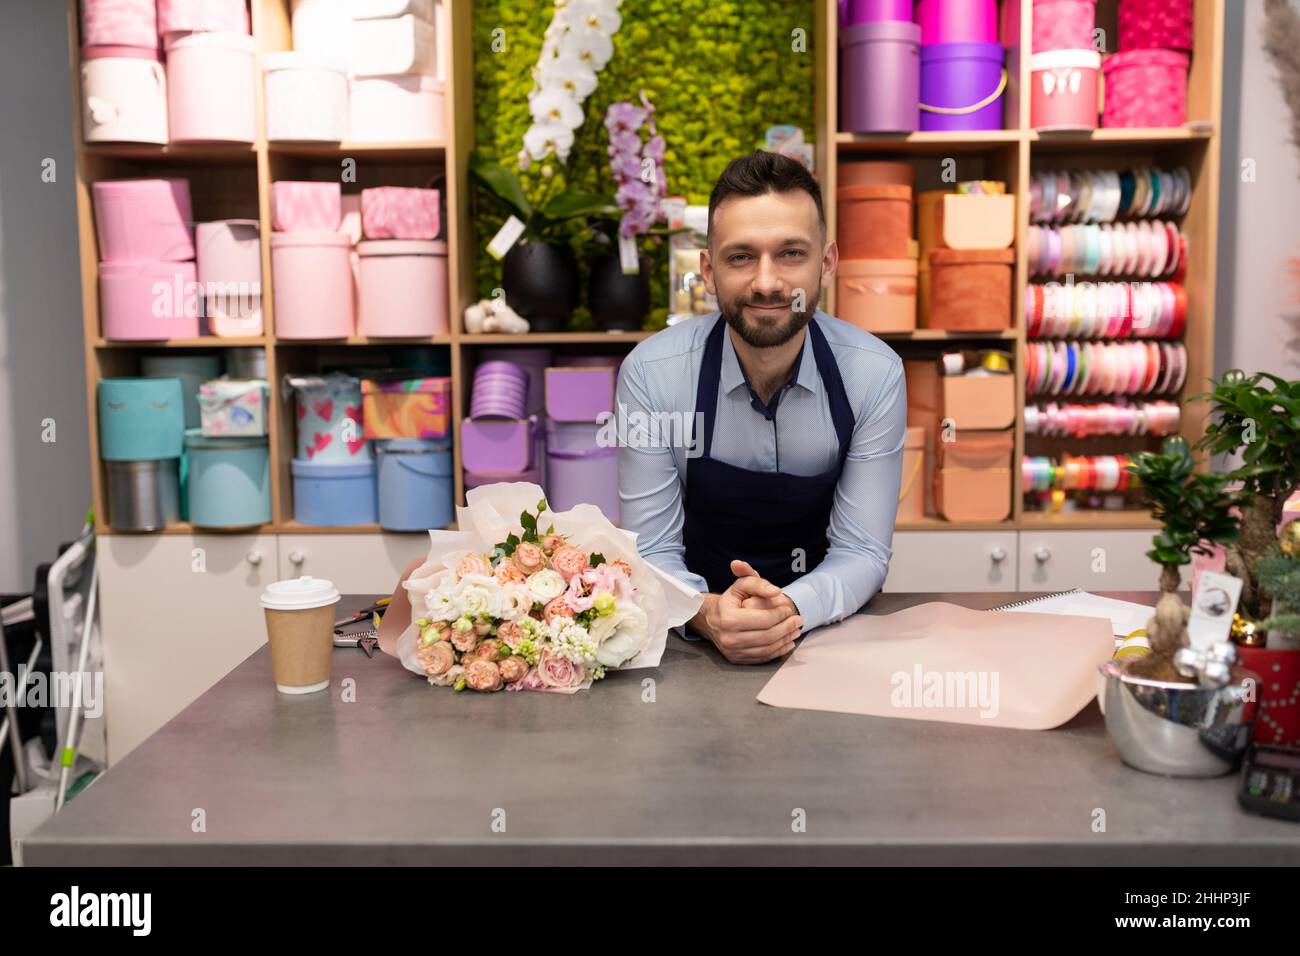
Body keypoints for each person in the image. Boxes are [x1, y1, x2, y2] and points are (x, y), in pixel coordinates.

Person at [616, 150, 907, 665]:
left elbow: (862, 552)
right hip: (692, 641)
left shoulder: (874, 375)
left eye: (792, 253)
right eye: (741, 256)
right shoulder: (652, 375)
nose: (767, 282)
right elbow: (653, 552)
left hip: (828, 640)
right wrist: (706, 615)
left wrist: (789, 608)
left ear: (828, 262)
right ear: (707, 271)